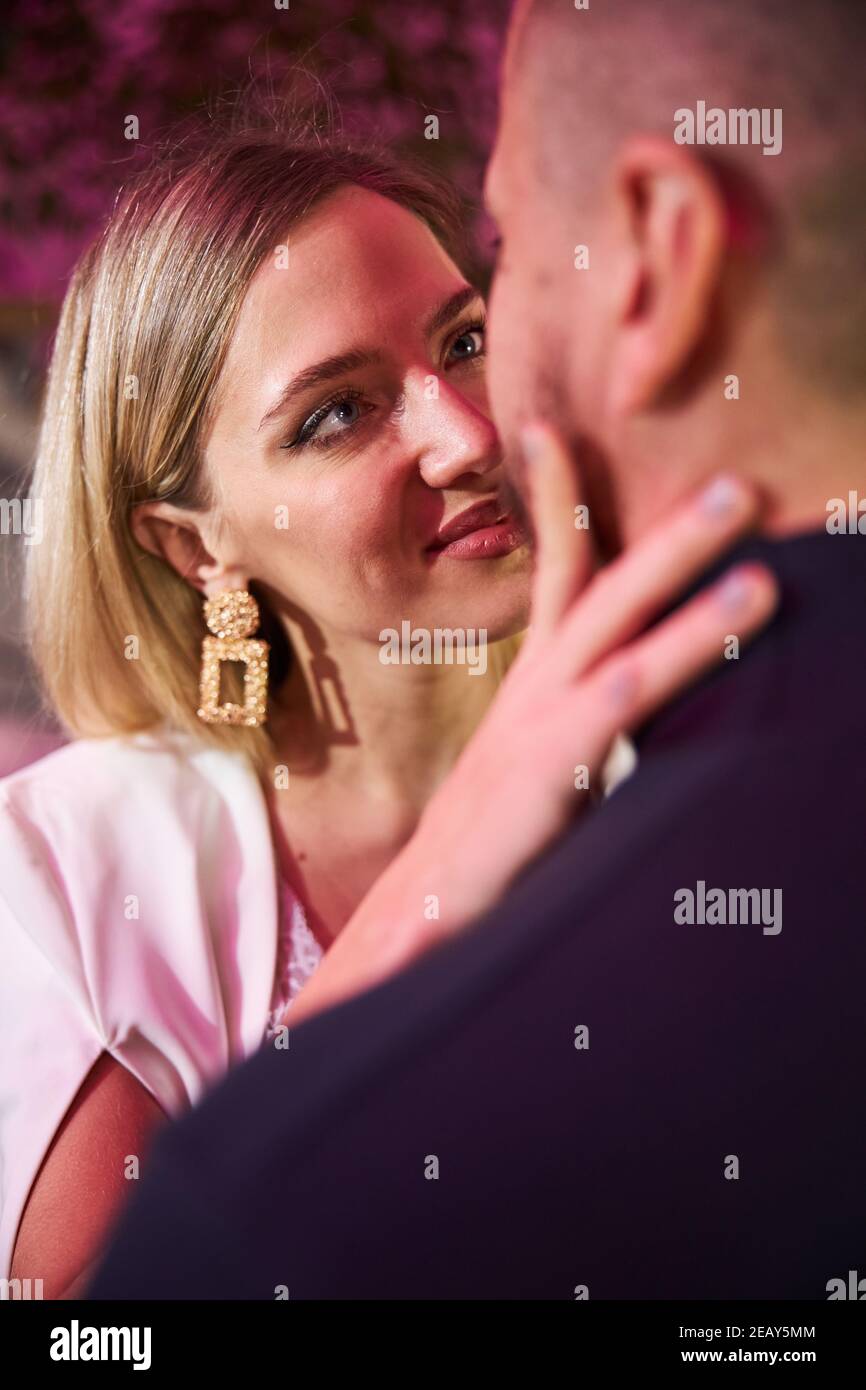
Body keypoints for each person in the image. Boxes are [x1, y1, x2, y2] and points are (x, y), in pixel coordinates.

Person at [88, 0, 866, 1300]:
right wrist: (433, 887)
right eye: (334, 414)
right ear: (192, 543)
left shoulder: (671, 750)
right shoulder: (68, 877)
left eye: (466, 332)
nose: (465, 433)